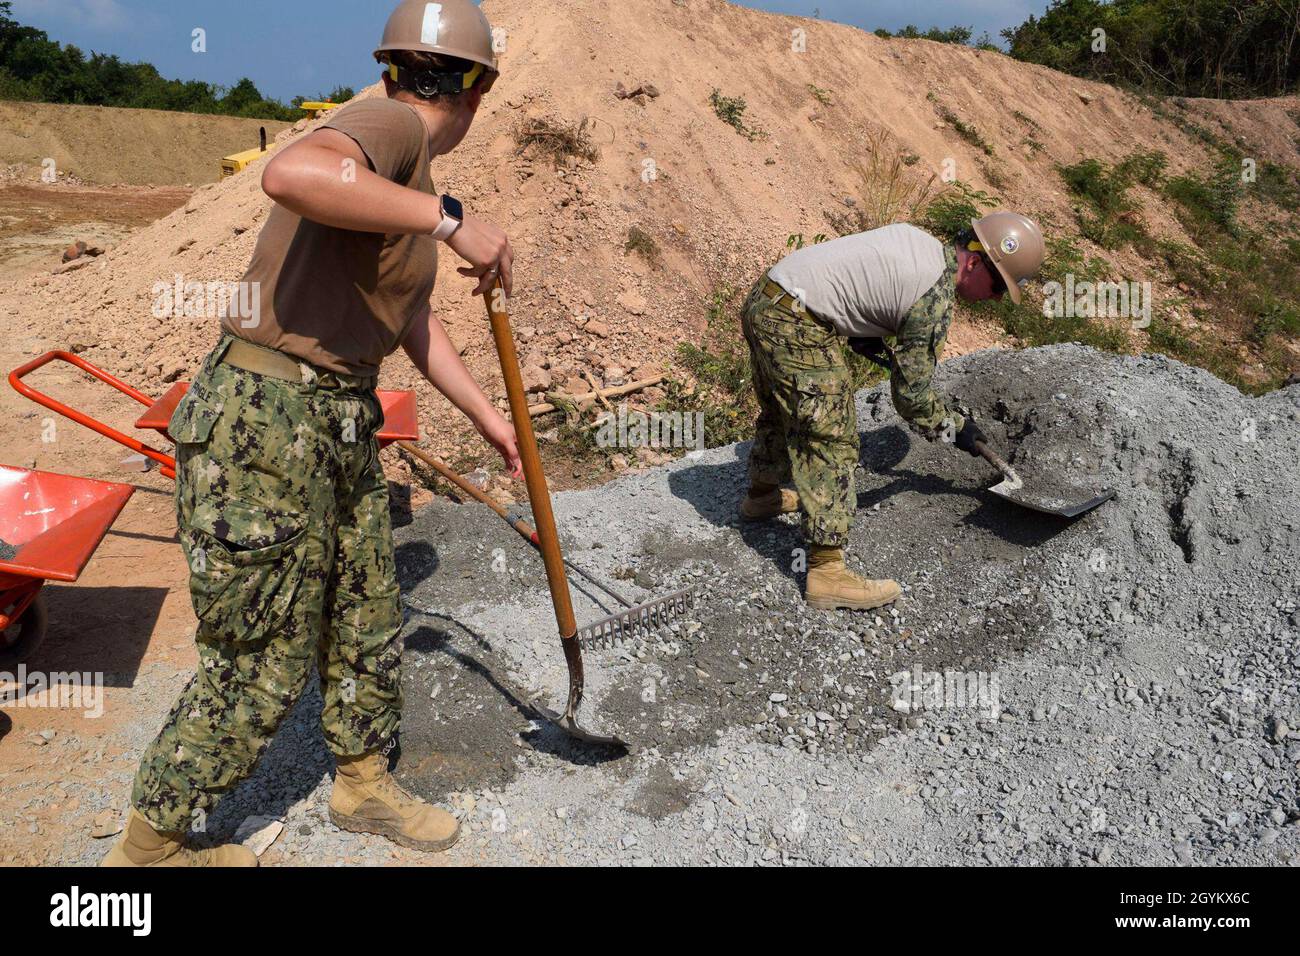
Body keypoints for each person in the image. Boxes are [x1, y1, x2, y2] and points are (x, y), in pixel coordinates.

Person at [104, 0, 519, 866]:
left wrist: (490, 420)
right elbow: (291, 172)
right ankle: (150, 849)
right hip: (269, 422)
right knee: (259, 653)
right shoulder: (392, 128)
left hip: (334, 418)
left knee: (364, 611)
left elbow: (409, 322)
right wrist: (451, 221)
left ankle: (363, 784)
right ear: (474, 90)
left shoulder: (405, 183)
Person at [738, 212, 1045, 611]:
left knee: (787, 410)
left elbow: (858, 279)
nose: (997, 298)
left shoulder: (917, 241)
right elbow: (911, 399)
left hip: (767, 298)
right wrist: (958, 430)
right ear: (974, 261)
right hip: (797, 322)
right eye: (997, 285)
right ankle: (826, 573)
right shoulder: (934, 298)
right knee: (831, 436)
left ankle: (762, 496)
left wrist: (862, 330)